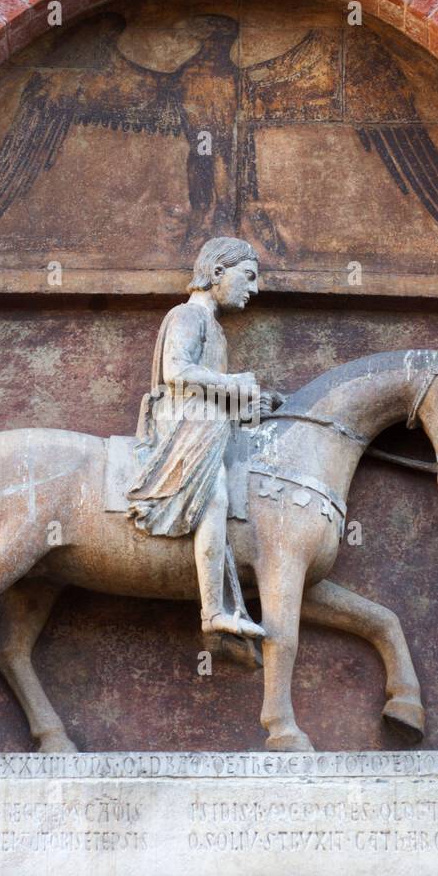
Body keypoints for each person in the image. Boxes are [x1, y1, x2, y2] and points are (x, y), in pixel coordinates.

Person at [127, 236, 281, 640]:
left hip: (203, 423)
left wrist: (251, 405)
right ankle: (212, 611)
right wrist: (234, 385)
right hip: (180, 427)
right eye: (247, 277)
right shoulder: (187, 316)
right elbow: (177, 372)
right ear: (216, 273)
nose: (255, 288)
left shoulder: (213, 327)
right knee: (214, 496)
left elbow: (211, 393)